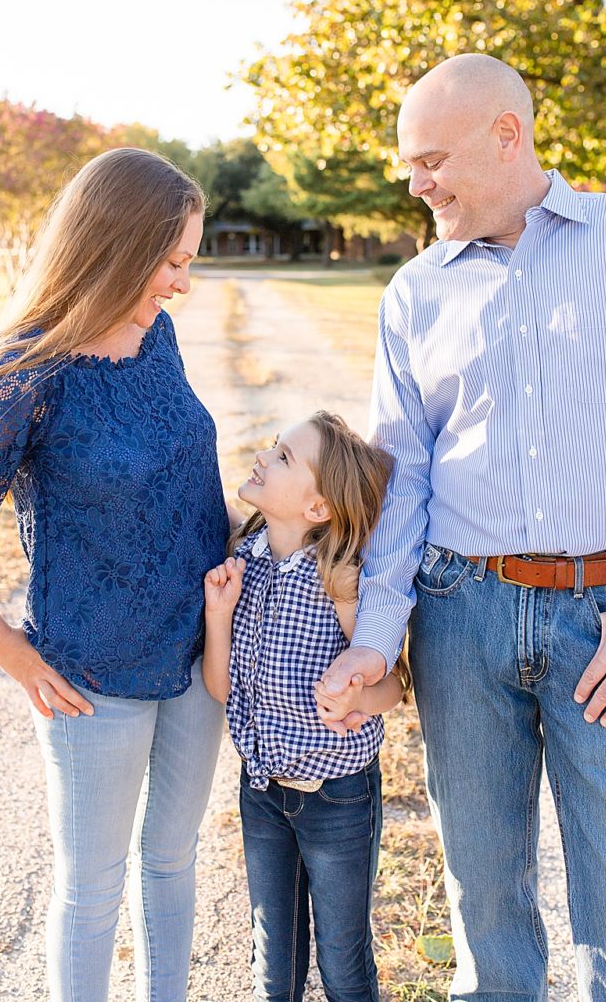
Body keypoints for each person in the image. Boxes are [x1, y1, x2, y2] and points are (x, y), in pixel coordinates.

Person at [314, 53, 606, 1000]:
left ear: (507, 134)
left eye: (432, 158)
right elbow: (401, 490)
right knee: (486, 911)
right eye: (410, 164)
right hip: (460, 618)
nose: (416, 183)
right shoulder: (414, 293)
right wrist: (375, 638)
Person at [0, 148, 228, 999]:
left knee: (173, 864)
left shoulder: (160, 337)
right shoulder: (28, 369)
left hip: (198, 662)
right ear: (116, 245)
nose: (182, 284)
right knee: (91, 892)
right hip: (91, 679)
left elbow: (177, 479)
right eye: (174, 261)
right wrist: (15, 655)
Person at [201, 411, 402, 1002]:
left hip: (337, 798)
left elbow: (395, 685)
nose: (265, 457)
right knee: (272, 963)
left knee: (342, 963)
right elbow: (221, 689)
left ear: (318, 509)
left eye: (285, 457)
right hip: (261, 792)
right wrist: (218, 614)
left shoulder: (338, 577)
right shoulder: (244, 563)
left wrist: (358, 694)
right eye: (273, 447)